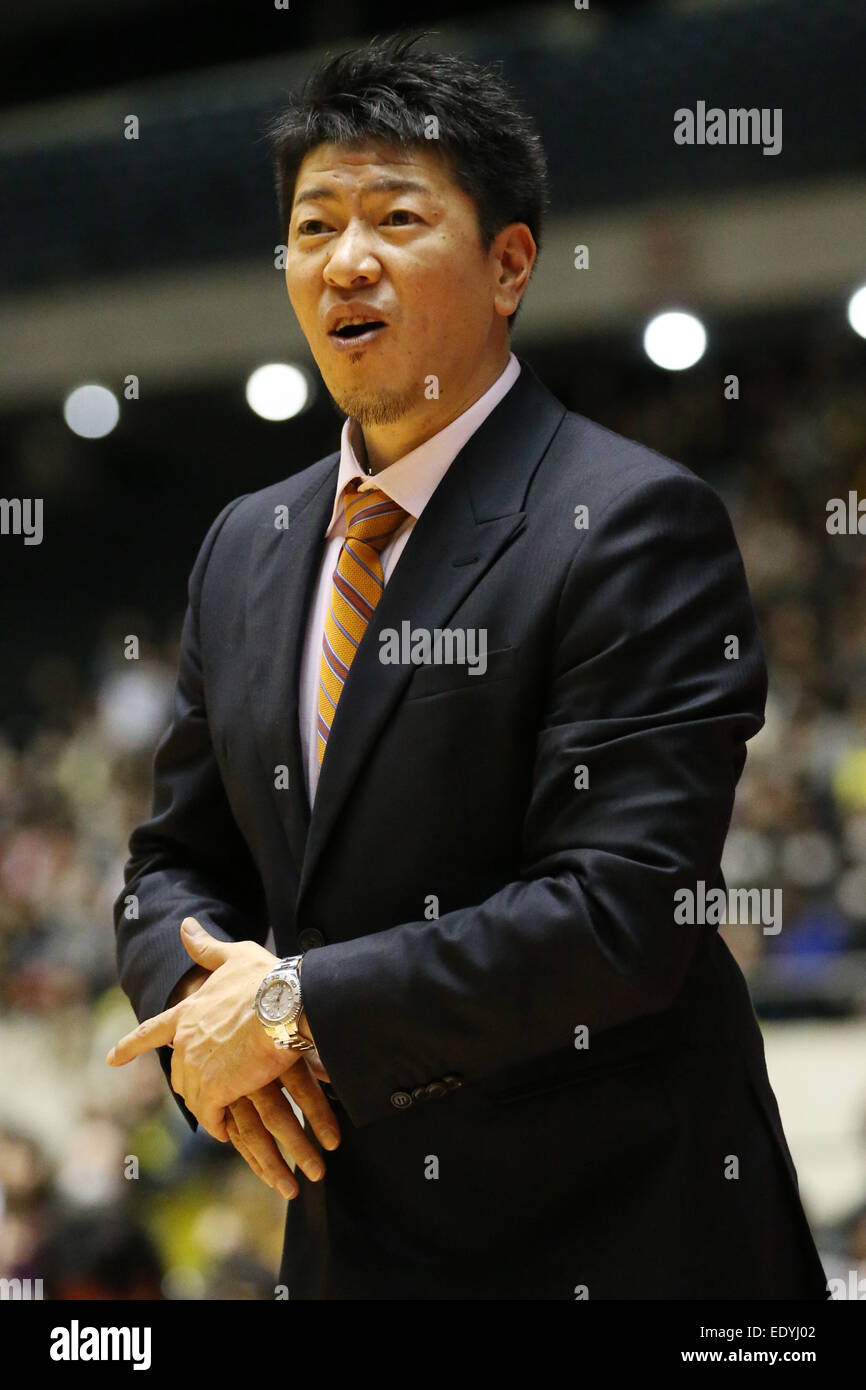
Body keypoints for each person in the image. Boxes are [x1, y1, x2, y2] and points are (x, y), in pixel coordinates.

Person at [109, 33, 829, 1300]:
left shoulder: (629, 522)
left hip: (616, 1238)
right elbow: (173, 863)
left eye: (396, 217)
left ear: (508, 266)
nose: (345, 259)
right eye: (313, 225)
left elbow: (620, 916)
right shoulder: (244, 545)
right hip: (350, 1240)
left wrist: (287, 1010)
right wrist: (205, 1040)